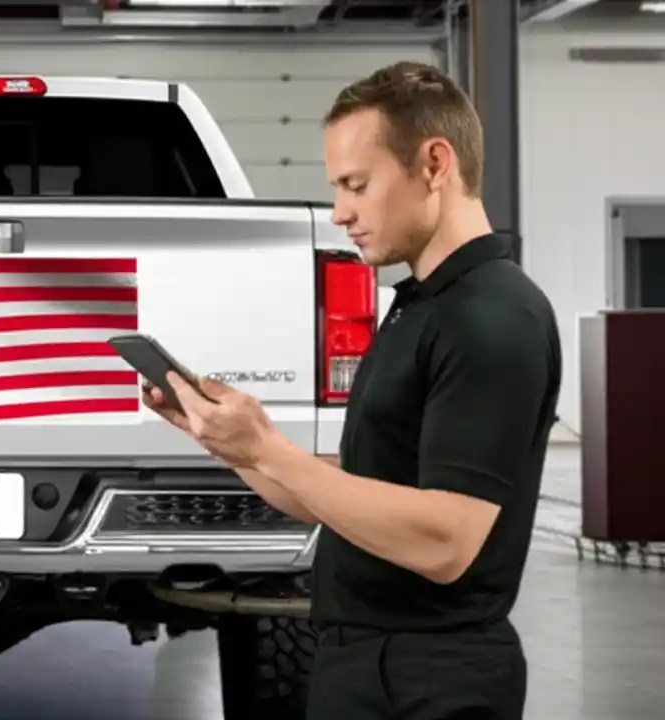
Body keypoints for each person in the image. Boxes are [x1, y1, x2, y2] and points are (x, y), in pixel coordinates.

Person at [142, 61, 561, 719]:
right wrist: (232, 444)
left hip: (431, 680)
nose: (340, 212)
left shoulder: (490, 318)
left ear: (433, 164)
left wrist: (271, 452)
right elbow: (347, 494)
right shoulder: (419, 306)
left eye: (356, 185)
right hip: (364, 661)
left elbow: (446, 543)